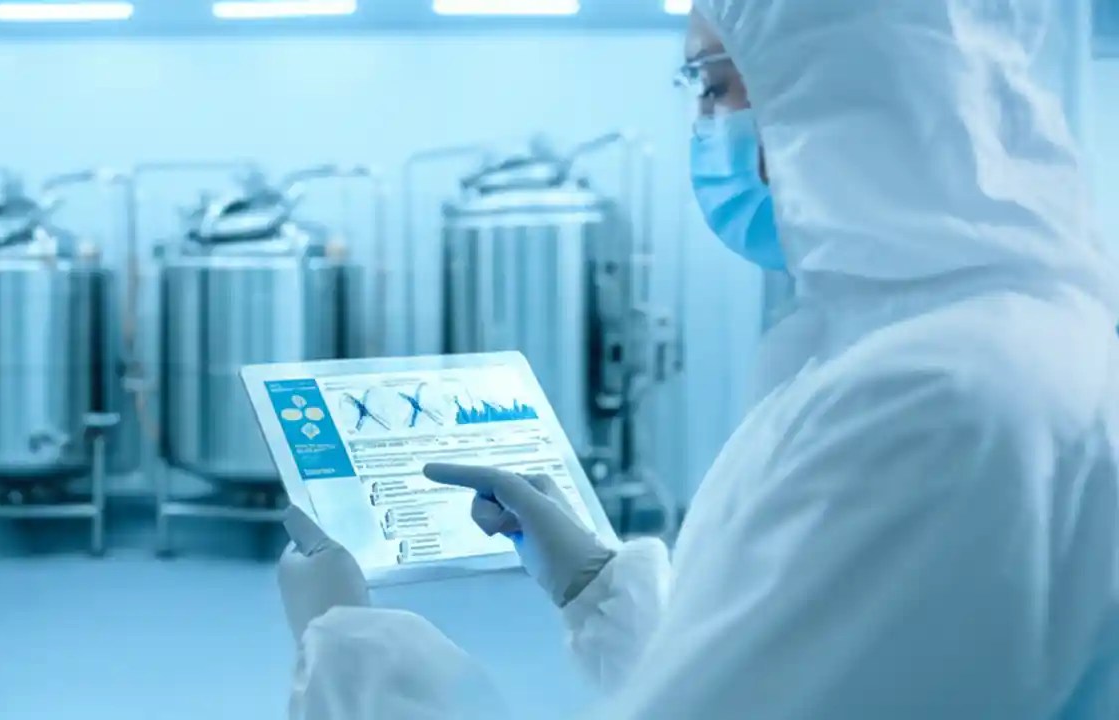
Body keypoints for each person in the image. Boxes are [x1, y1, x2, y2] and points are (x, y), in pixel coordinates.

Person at [277, 0, 1119, 717]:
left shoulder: (935, 399)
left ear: (854, 89)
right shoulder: (958, 341)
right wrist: (603, 595)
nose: (702, 128)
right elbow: (776, 672)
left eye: (715, 86)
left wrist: (358, 650)